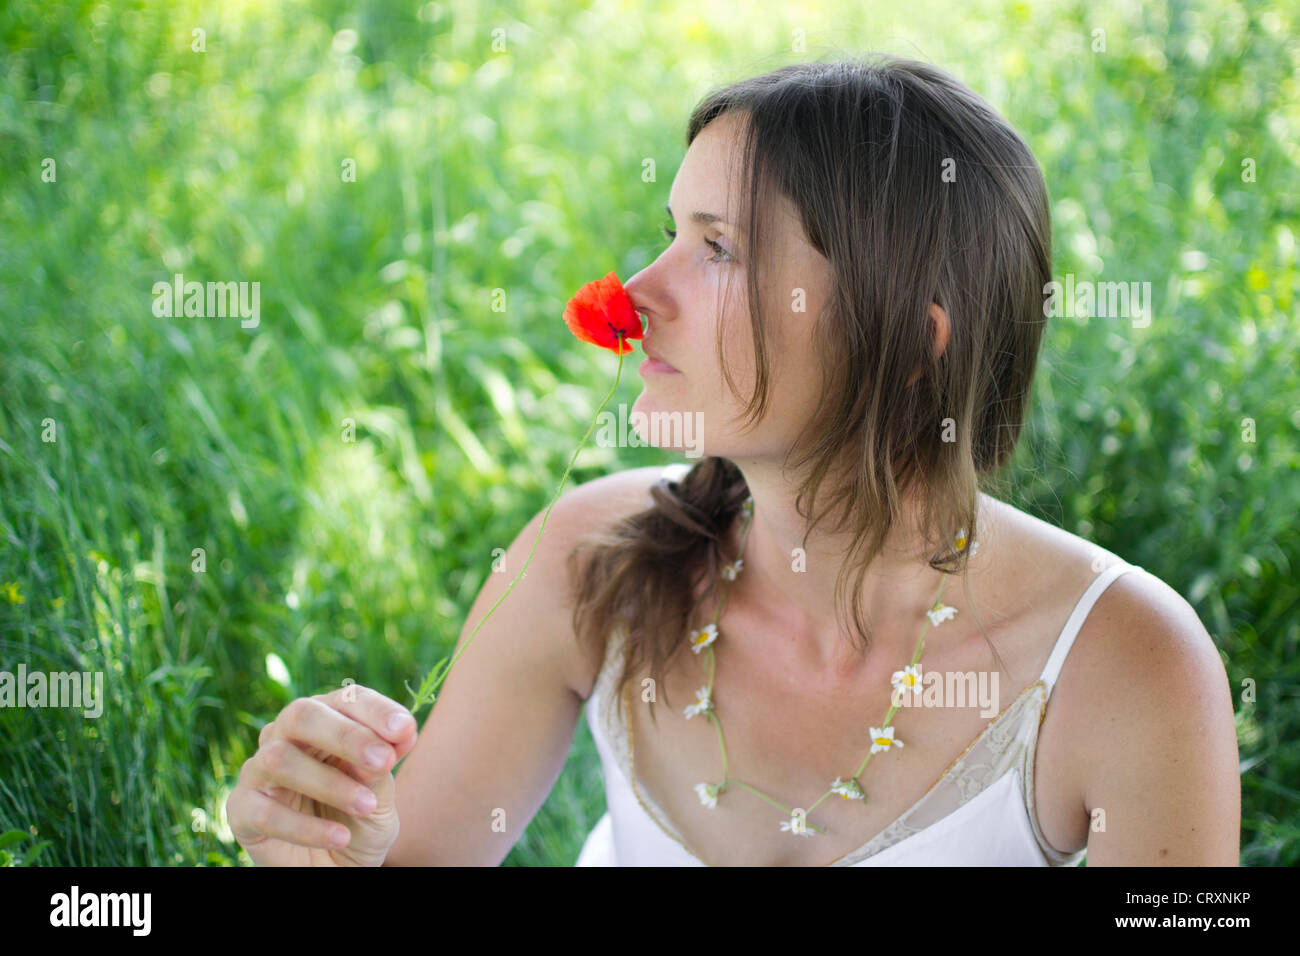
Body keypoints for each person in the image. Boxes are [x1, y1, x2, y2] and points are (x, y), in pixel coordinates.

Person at [226, 55, 1239, 867]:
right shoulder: (590, 555)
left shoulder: (1124, 665)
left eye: (718, 248)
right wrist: (319, 845)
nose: (636, 289)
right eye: (671, 232)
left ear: (906, 339)